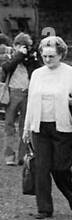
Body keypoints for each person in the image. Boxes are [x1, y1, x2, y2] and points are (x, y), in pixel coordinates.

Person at [21, 35, 72, 218]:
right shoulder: (37, 74)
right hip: (40, 127)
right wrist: (27, 128)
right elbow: (31, 104)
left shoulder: (71, 73)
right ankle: (44, 209)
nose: (48, 60)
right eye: (45, 56)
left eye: (52, 56)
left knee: (60, 168)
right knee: (41, 168)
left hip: (63, 127)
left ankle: (70, 194)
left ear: (61, 55)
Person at [3, 32, 38, 166]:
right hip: (12, 93)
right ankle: (9, 156)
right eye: (23, 46)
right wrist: (19, 56)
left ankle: (23, 156)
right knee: (9, 125)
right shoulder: (10, 56)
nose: (26, 49)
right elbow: (6, 67)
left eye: (27, 46)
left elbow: (36, 71)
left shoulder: (30, 59)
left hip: (28, 93)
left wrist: (29, 58)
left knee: (25, 126)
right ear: (16, 45)